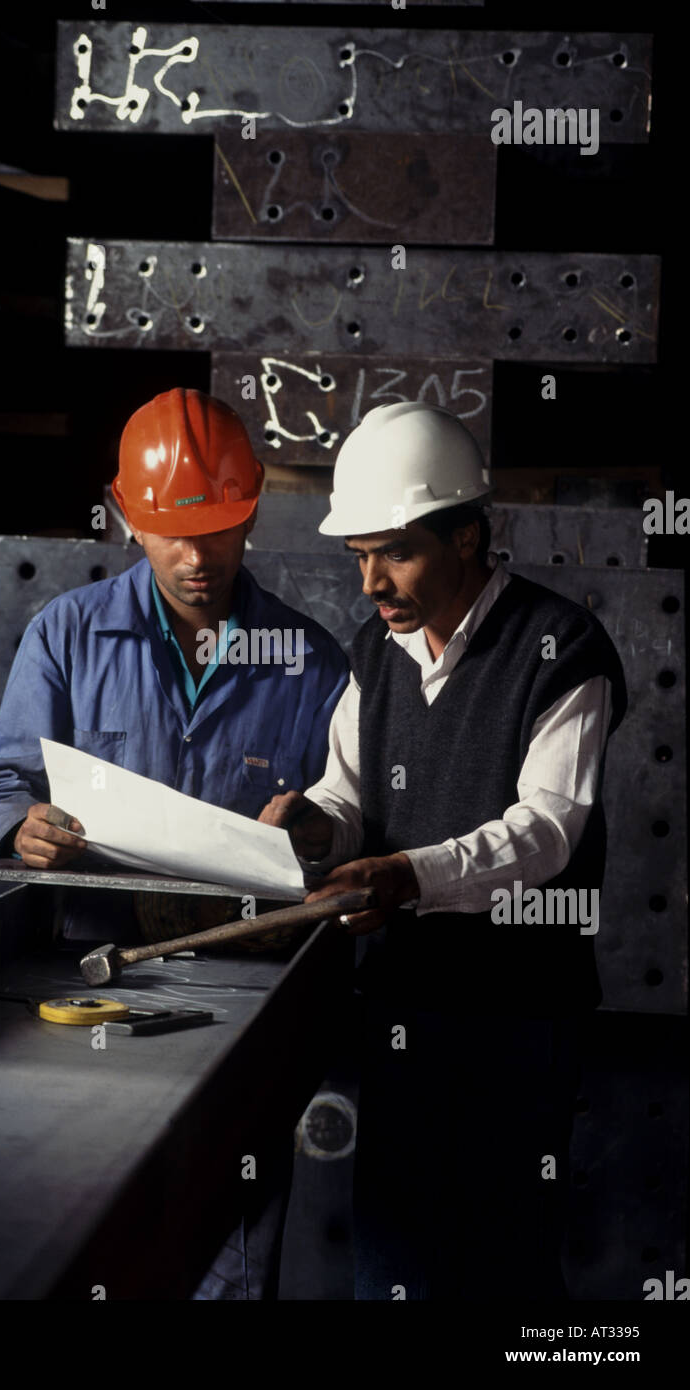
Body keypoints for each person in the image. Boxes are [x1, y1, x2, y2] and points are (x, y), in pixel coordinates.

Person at [0, 387, 349, 1300]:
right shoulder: (68, 634)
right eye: (172, 532)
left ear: (249, 513)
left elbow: (345, 827)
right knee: (76, 1229)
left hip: (244, 1001)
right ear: (125, 514)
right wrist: (20, 827)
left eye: (216, 529)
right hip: (84, 981)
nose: (195, 555)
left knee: (233, 1256)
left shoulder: (311, 661)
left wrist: (316, 830)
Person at [260, 401, 627, 1301]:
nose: (372, 583)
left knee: (504, 1261)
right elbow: (349, 796)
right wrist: (314, 825)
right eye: (360, 558)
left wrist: (409, 875)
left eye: (397, 553)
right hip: (402, 1005)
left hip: (518, 1015)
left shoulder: (559, 648)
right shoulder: (375, 652)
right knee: (396, 1256)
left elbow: (545, 832)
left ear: (468, 537)